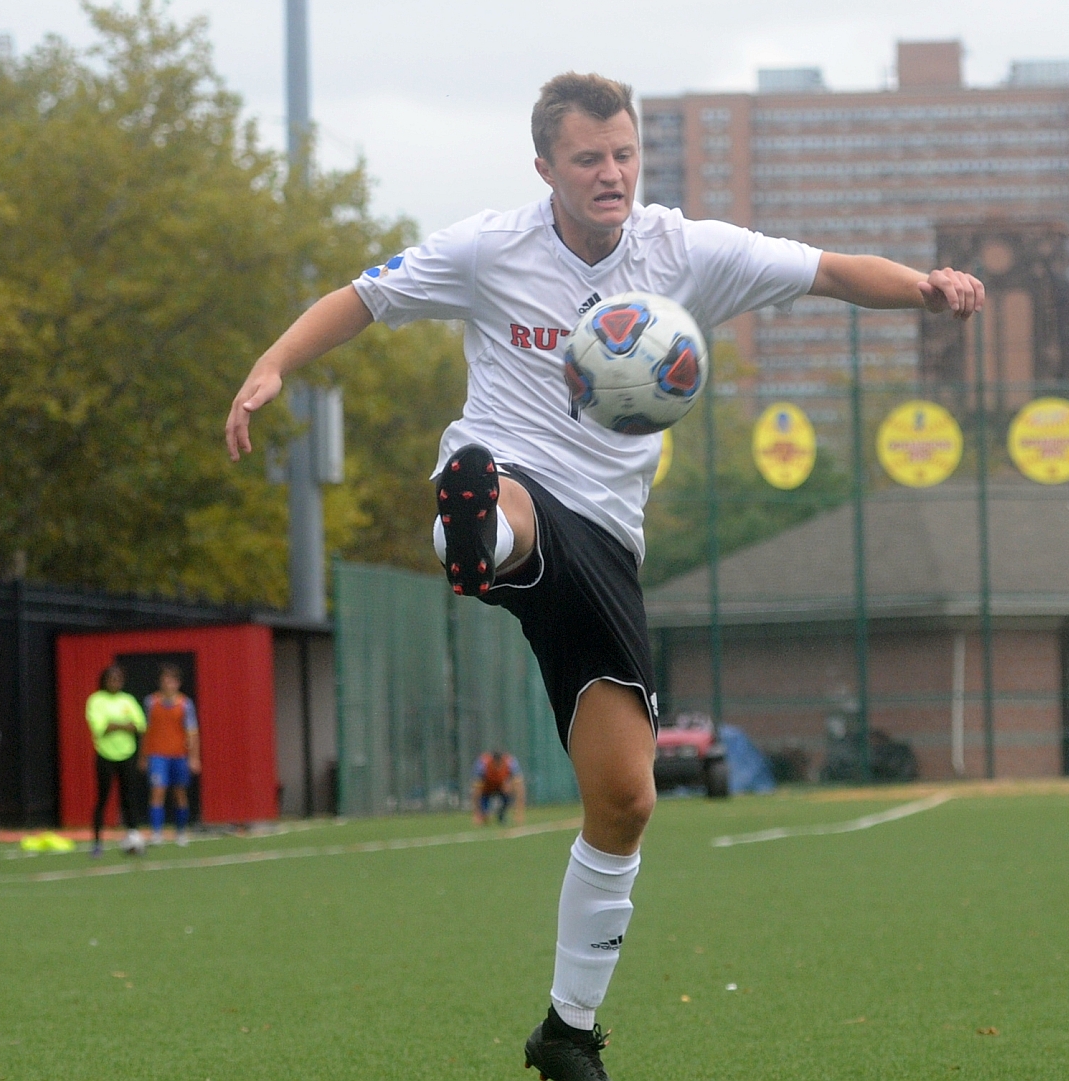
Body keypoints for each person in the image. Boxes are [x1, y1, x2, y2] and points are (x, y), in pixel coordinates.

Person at [225, 72, 982, 1079]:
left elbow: (830, 272)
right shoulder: (492, 249)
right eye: (589, 158)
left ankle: (567, 1030)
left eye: (623, 153)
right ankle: (477, 531)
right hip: (518, 481)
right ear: (547, 168)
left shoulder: (684, 250)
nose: (611, 173)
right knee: (506, 496)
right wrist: (273, 363)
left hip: (609, 543)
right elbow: (361, 298)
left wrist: (924, 289)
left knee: (625, 800)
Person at [86, 664, 148, 857]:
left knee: (128, 797)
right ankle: (97, 843)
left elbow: (140, 724)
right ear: (104, 680)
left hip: (127, 754)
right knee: (103, 797)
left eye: (119, 678)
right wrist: (123, 725)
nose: (115, 682)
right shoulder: (96, 700)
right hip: (105, 755)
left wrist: (117, 725)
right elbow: (101, 727)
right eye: (112, 679)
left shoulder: (127, 700)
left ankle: (133, 839)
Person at [143, 664, 200, 847]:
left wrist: (193, 757)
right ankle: (157, 833)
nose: (169, 684)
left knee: (180, 793)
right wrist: (143, 756)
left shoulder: (185, 704)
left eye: (172, 680)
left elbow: (192, 732)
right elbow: (146, 730)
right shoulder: (151, 702)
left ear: (178, 683)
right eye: (165, 679)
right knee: (157, 791)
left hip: (179, 755)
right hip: (158, 754)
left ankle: (181, 832)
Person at [473, 750, 526, 826]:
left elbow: (520, 788)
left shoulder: (510, 763)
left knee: (508, 790)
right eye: (495, 765)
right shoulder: (482, 765)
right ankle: (485, 813)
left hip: (502, 787)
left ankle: (501, 813)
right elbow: (476, 791)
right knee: (485, 819)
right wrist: (477, 813)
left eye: (499, 765)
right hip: (486, 789)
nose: (497, 768)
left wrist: (519, 812)